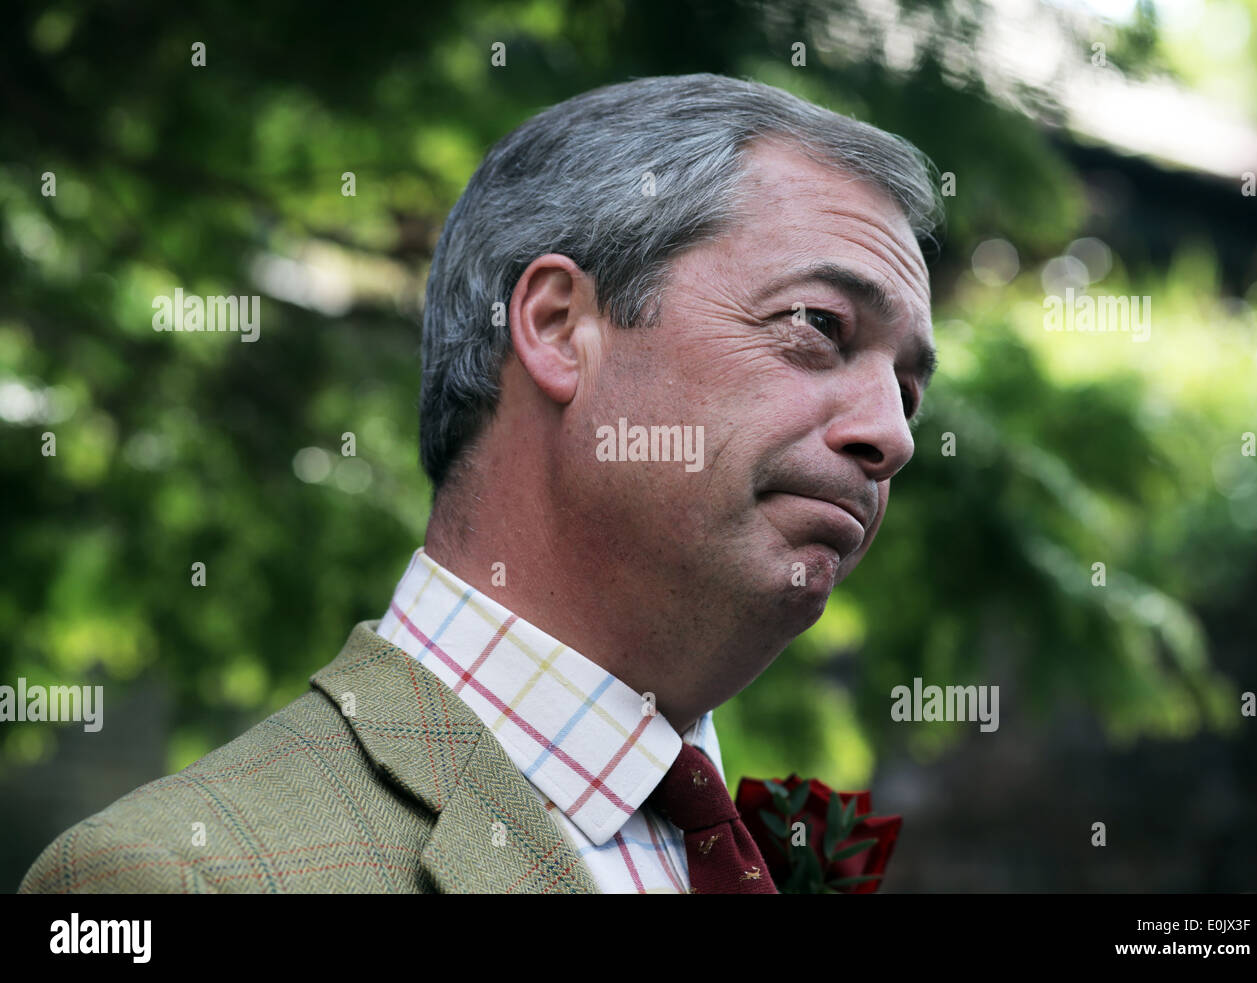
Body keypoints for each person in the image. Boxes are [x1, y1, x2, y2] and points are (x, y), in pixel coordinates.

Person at [19, 73, 940, 894]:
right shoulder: (172, 876)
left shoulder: (749, 851)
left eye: (907, 390)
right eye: (820, 324)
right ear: (556, 325)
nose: (892, 436)